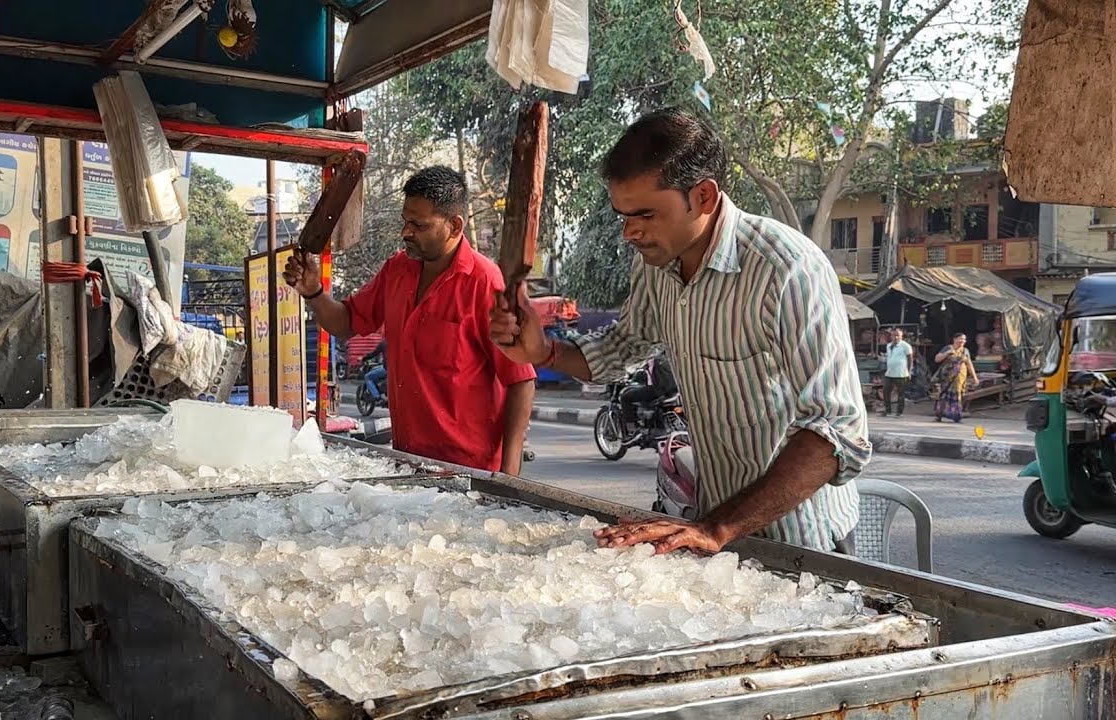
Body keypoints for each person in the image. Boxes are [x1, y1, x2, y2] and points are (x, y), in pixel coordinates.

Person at [490, 108, 870, 555]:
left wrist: (717, 528)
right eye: (623, 216)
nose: (630, 232)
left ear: (704, 196)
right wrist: (545, 351)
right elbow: (624, 348)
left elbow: (836, 431)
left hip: (806, 538)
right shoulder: (654, 264)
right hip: (716, 526)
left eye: (646, 214)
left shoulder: (787, 269)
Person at [283, 166, 536, 474]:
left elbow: (521, 381)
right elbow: (346, 322)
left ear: (455, 226)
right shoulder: (397, 270)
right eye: (405, 221)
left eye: (419, 224)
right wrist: (314, 293)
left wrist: (507, 479)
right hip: (409, 462)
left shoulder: (486, 283)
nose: (406, 232)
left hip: (470, 469)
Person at [619, 351, 678, 427]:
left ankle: (631, 427)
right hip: (671, 390)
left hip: (656, 390)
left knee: (625, 397)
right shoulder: (664, 357)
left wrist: (624, 376)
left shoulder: (649, 359)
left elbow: (635, 368)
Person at [933, 332, 978, 423]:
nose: (962, 341)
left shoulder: (965, 351)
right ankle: (940, 414)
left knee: (958, 396)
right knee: (944, 395)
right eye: (960, 339)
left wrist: (974, 377)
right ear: (954, 339)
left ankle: (956, 415)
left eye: (964, 339)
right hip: (947, 377)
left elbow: (969, 364)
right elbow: (937, 359)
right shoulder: (947, 348)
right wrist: (946, 353)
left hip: (960, 377)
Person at [882, 328, 914, 417]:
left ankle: (899, 412)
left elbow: (910, 359)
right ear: (891, 336)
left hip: (901, 373)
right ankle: (888, 411)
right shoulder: (888, 346)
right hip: (889, 373)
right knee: (886, 392)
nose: (896, 337)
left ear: (901, 336)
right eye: (894, 335)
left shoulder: (906, 346)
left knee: (901, 393)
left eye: (898, 335)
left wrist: (909, 371)